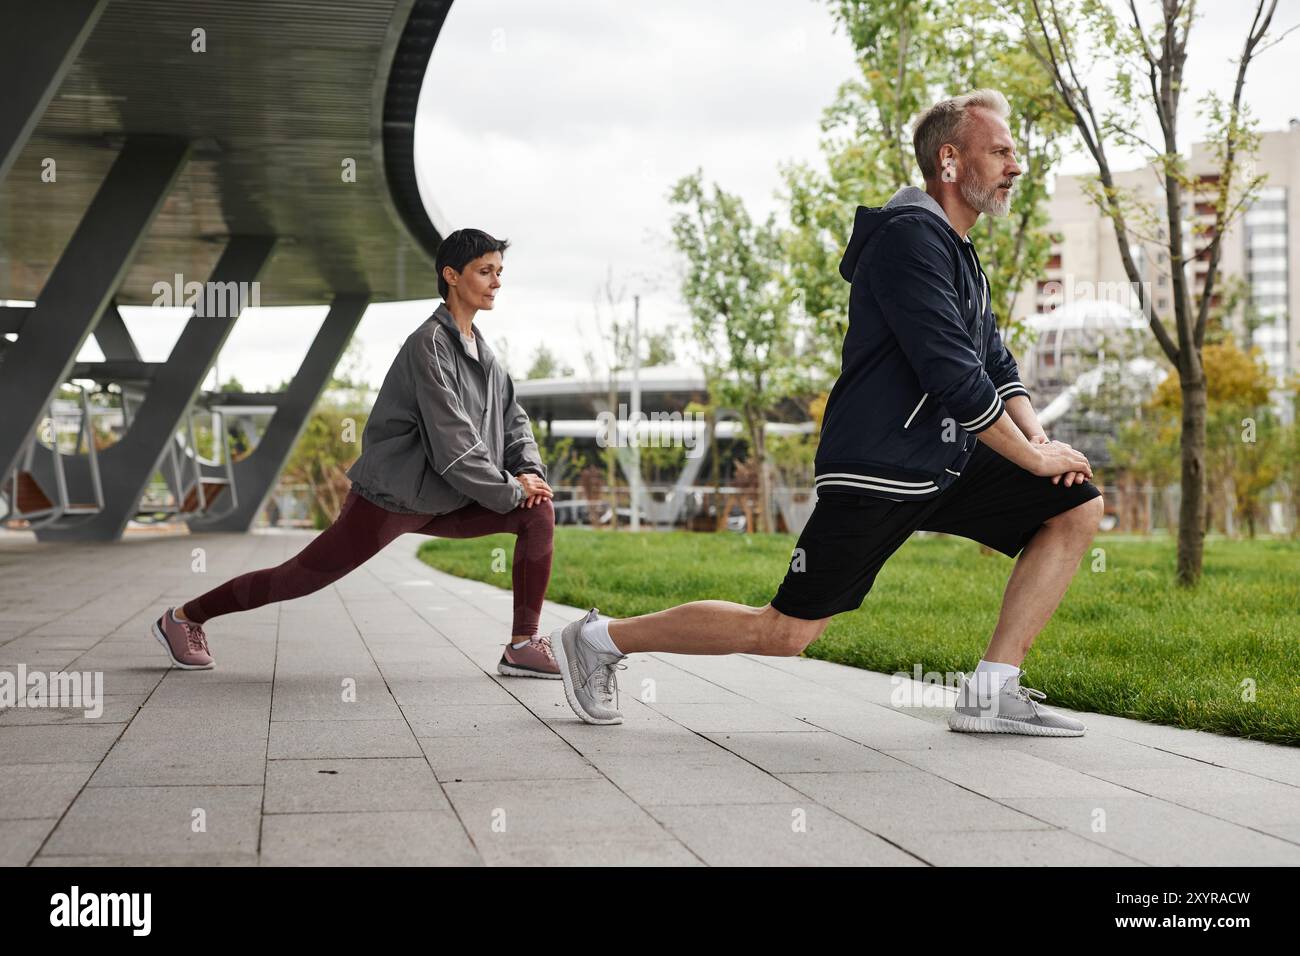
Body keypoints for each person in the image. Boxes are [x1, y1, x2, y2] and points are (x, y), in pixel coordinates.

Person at [552, 89, 1102, 736]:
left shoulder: (960, 253)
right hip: (881, 467)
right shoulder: (908, 241)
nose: (1016, 166)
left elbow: (996, 366)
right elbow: (951, 373)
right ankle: (599, 639)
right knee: (787, 631)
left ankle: (992, 691)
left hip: (945, 460)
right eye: (1001, 151)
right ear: (950, 162)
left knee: (1074, 503)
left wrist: (1044, 449)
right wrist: (1032, 455)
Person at [150, 228, 560, 679]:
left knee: (537, 513)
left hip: (449, 498)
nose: (496, 281)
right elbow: (453, 440)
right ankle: (184, 618)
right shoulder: (429, 345)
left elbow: (514, 420)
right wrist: (508, 490)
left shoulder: (484, 354)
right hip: (394, 500)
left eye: (499, 272)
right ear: (451, 275)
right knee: (298, 578)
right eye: (485, 271)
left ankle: (523, 643)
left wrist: (529, 476)